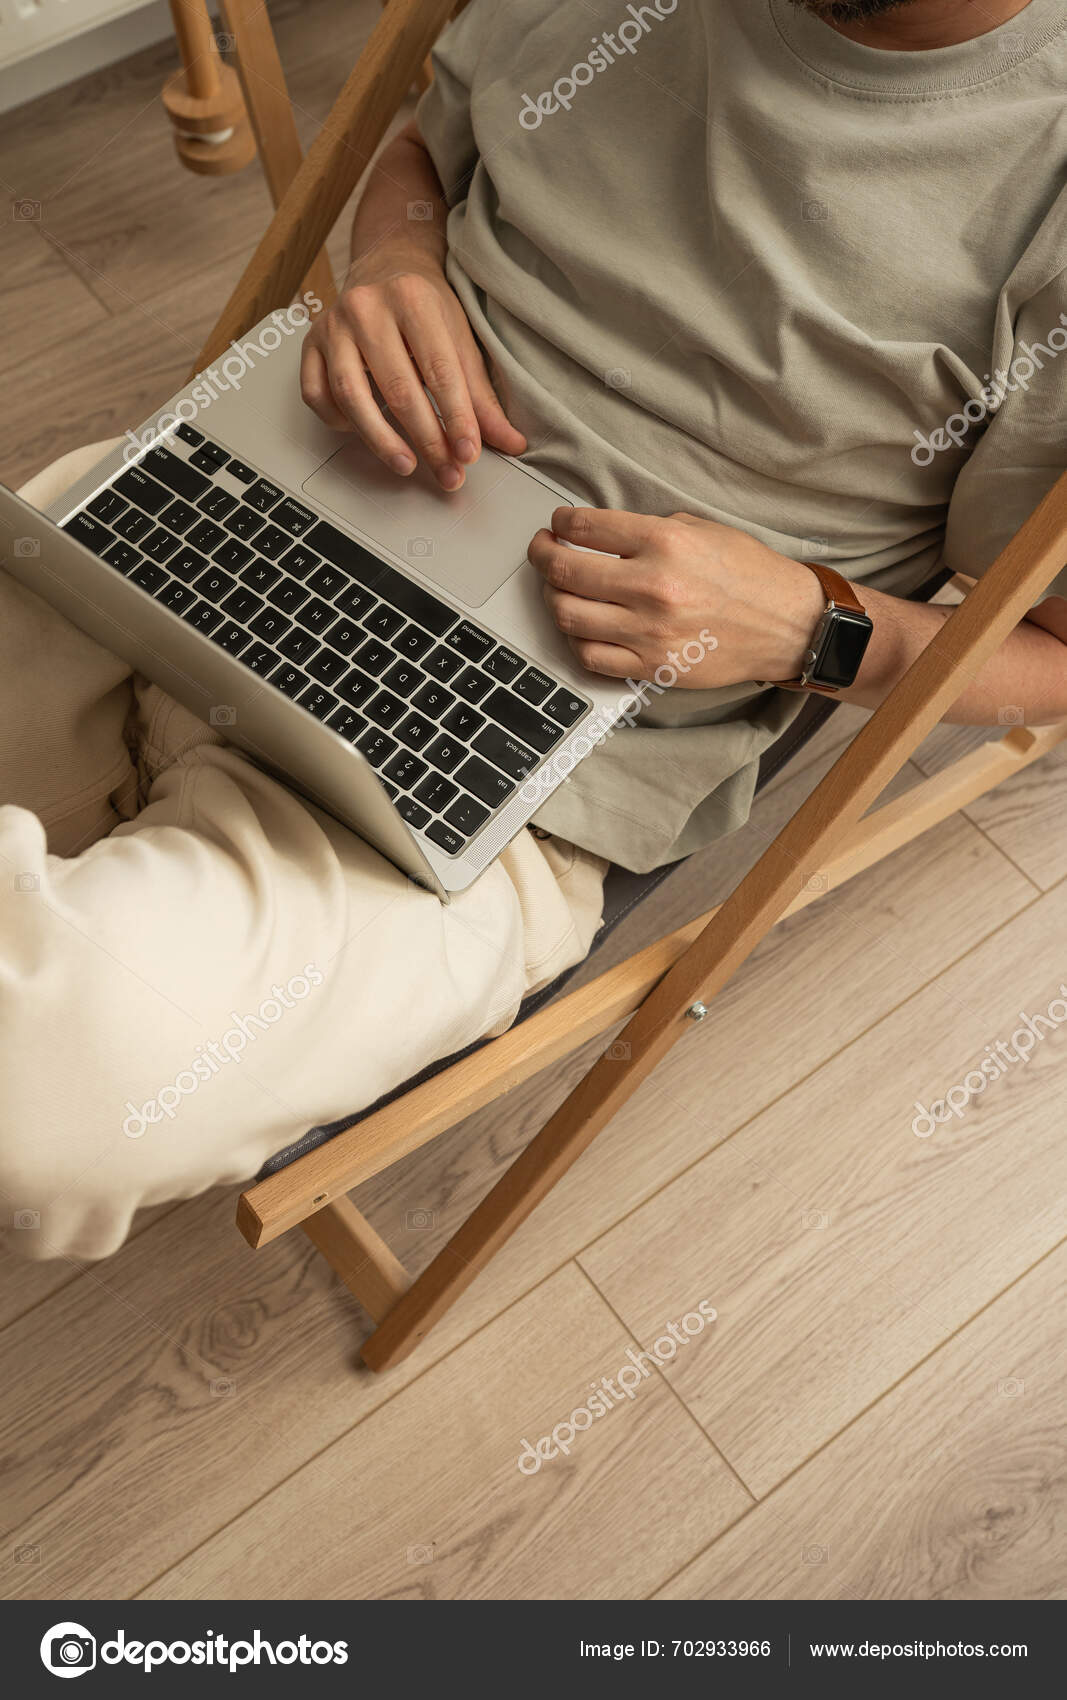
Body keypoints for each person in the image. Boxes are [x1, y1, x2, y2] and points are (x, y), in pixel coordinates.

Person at [2, 0, 1064, 1261]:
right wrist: (394, 261)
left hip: (526, 754)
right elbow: (424, 136)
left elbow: (1048, 652)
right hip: (247, 492)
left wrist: (806, 628)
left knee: (58, 1092)